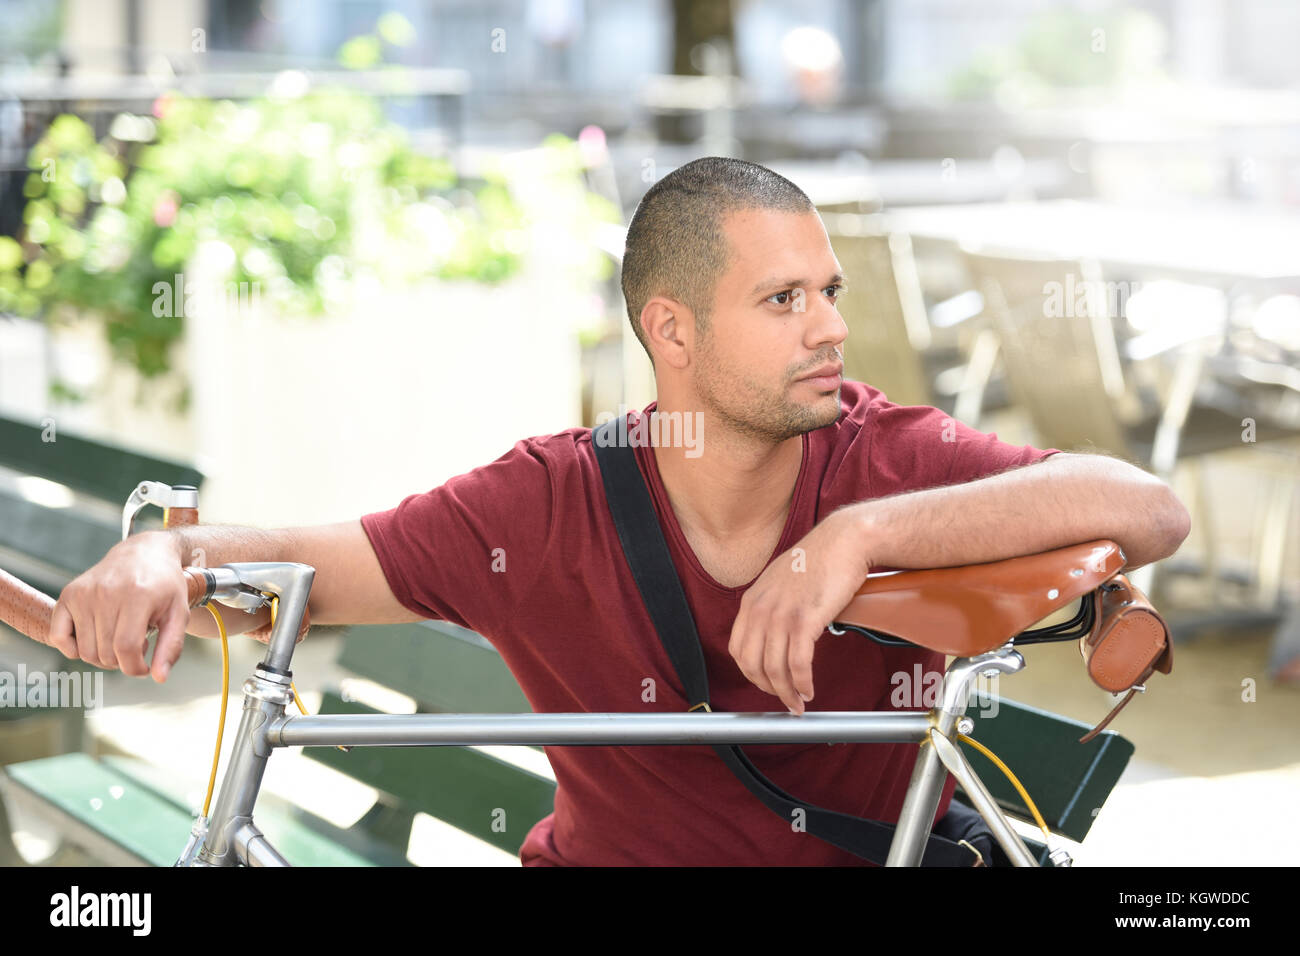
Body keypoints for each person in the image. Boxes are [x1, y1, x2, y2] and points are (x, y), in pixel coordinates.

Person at [44, 157, 1191, 866]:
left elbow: (1145, 506)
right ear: (672, 331)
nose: (829, 330)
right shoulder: (545, 499)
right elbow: (306, 571)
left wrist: (856, 536)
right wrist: (170, 553)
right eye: (782, 300)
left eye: (829, 292)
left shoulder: (885, 458)